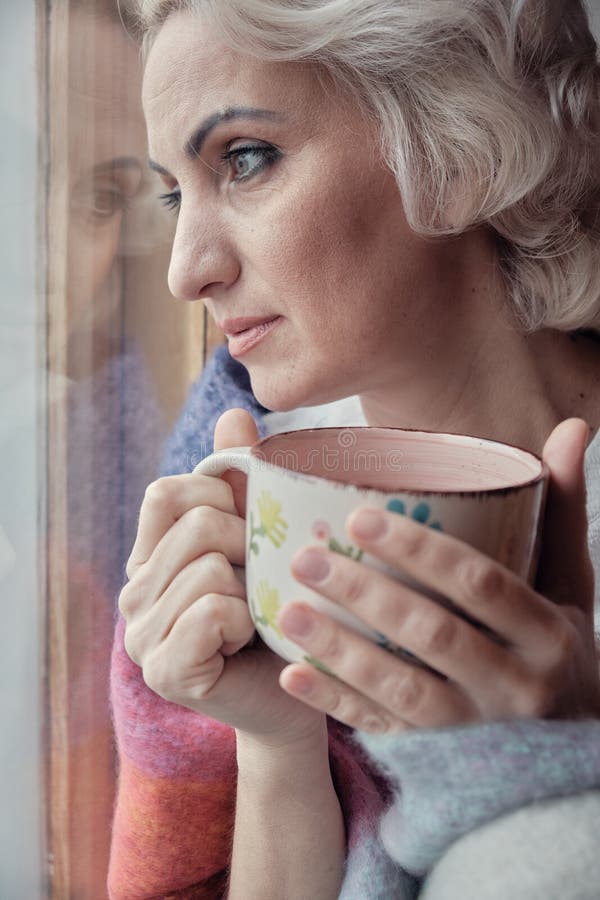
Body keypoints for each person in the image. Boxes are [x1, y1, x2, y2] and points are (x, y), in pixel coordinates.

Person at [109, 1, 600, 898]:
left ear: (455, 143)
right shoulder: (263, 497)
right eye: (175, 193)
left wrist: (565, 761)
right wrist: (275, 739)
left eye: (245, 160)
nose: (185, 270)